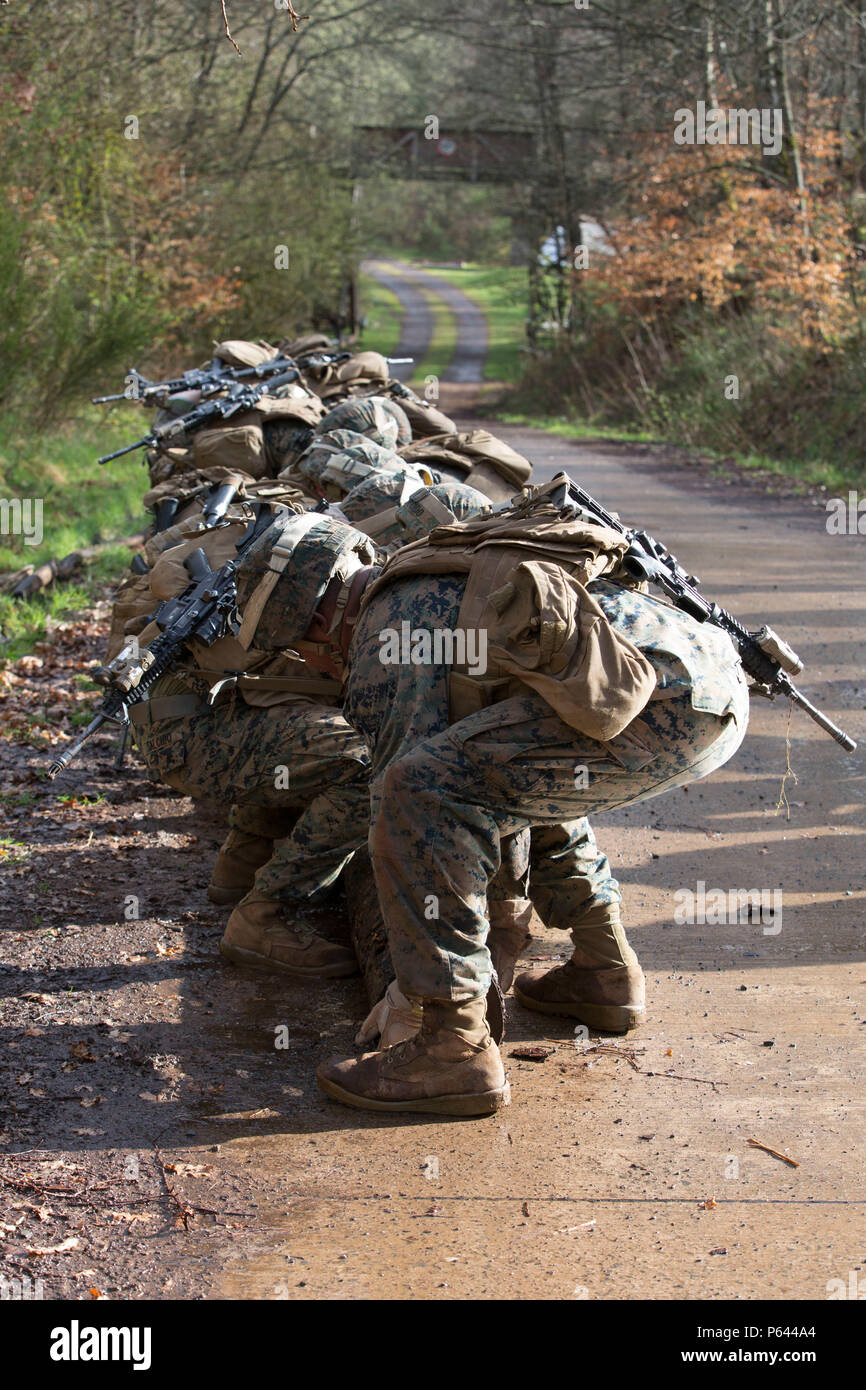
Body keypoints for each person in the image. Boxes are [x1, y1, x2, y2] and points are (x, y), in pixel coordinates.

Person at [315, 480, 749, 1115]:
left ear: (317, 617)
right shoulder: (438, 571)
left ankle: (450, 1048)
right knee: (523, 768)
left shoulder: (388, 629)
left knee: (419, 787)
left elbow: (411, 810)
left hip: (652, 699)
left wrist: (418, 990)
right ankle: (605, 973)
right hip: (708, 686)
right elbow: (500, 791)